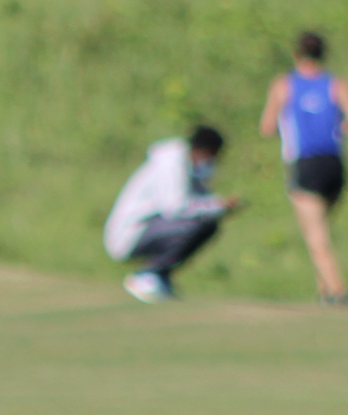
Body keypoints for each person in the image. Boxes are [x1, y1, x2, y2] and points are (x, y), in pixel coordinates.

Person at [260, 32, 347, 302]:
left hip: (305, 163)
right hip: (333, 164)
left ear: (297, 54)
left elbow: (266, 127)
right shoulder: (336, 85)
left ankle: (337, 291)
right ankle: (323, 291)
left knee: (315, 235)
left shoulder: (284, 85)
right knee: (322, 228)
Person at [103, 126, 236, 302]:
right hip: (130, 234)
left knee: (207, 224)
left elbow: (199, 197)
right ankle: (146, 274)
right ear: (204, 151)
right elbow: (175, 208)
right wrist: (216, 206)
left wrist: (217, 205)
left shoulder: (188, 165)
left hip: (150, 227)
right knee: (199, 223)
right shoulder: (172, 162)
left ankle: (159, 275)